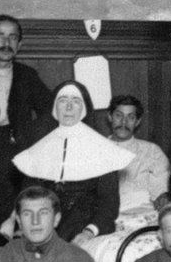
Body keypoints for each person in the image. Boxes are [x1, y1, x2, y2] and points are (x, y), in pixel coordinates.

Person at [8, 80, 133, 244]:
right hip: (45, 220)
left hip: (85, 225)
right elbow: (28, 194)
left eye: (75, 102)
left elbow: (108, 205)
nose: (68, 107)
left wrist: (89, 232)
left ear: (84, 108)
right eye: (62, 101)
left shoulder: (103, 149)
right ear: (54, 107)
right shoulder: (40, 146)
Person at [0, 14, 53, 262]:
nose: (6, 43)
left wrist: (27, 138)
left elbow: (51, 113)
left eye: (12, 37)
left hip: (14, 154)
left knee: (14, 220)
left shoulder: (27, 75)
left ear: (19, 44)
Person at [107, 94, 170, 229]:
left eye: (131, 117)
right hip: (108, 219)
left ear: (137, 121)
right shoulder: (96, 150)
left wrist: (162, 198)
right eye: (119, 115)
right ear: (110, 117)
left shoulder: (152, 151)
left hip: (145, 219)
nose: (124, 122)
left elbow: (160, 193)